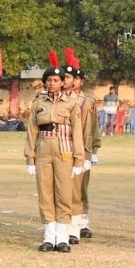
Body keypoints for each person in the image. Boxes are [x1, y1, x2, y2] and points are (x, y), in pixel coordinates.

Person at [24, 53, 85, 252]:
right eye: (48, 80)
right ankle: (49, 236)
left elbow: (77, 132)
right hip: (43, 150)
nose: (52, 83)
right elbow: (32, 132)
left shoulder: (71, 104)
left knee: (64, 193)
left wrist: (79, 159)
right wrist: (29, 158)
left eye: (56, 80)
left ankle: (63, 238)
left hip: (64, 151)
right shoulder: (37, 105)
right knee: (45, 193)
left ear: (62, 83)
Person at [62, 48, 100, 240]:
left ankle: (81, 222)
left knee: (80, 188)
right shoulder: (56, 100)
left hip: (81, 150)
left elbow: (92, 128)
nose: (71, 81)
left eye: (74, 78)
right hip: (61, 147)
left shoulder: (87, 101)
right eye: (67, 77)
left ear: (80, 81)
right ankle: (64, 224)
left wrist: (92, 151)